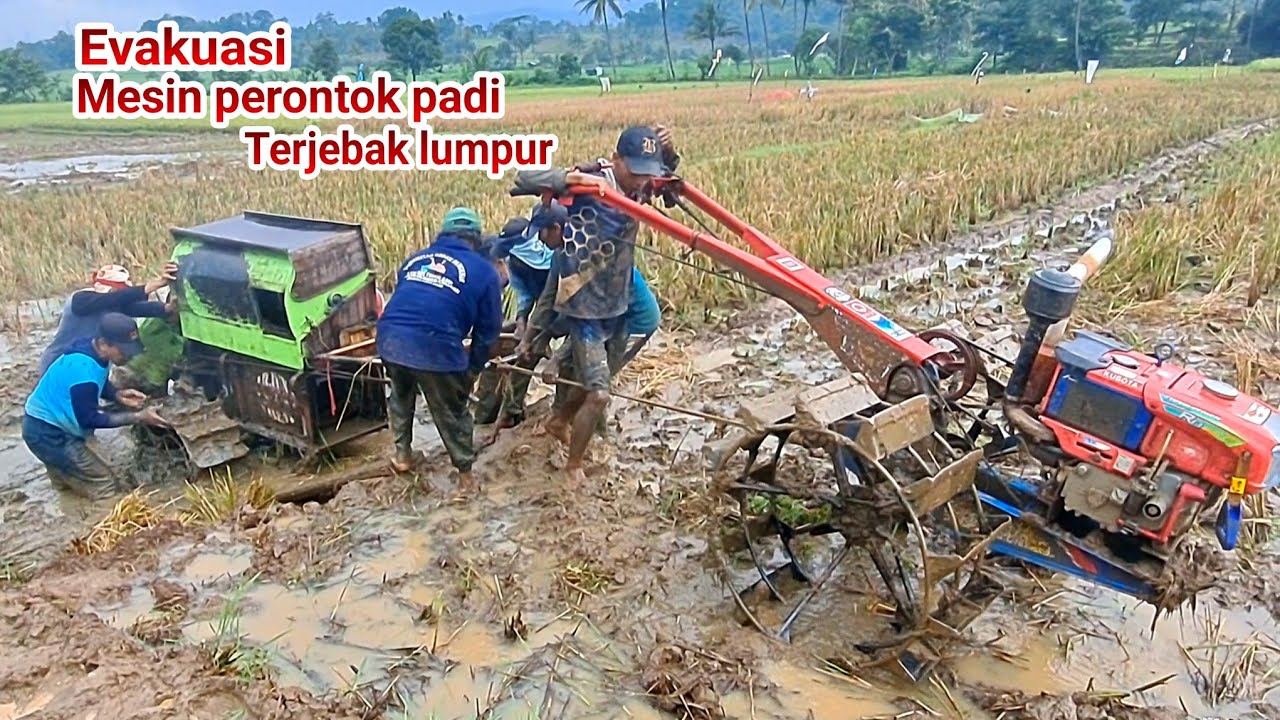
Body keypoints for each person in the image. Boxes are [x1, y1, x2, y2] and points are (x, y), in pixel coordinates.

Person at [511, 124, 679, 481]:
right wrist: (572, 179)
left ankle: (559, 420)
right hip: (583, 302)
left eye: (645, 173)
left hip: (617, 295)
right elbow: (524, 176)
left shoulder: (643, 185)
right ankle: (573, 467)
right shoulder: (589, 180)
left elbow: (669, 185)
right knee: (599, 395)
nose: (639, 181)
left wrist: (671, 152)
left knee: (598, 384)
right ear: (616, 159)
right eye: (633, 171)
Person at [376, 207, 504, 490]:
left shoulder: (415, 259)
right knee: (452, 410)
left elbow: (410, 300)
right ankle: (466, 477)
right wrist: (472, 371)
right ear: (476, 239)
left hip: (389, 339)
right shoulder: (485, 272)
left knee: (400, 394)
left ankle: (402, 456)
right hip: (434, 344)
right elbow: (489, 331)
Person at [23, 313, 171, 499]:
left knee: (65, 482)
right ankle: (96, 521)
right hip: (49, 434)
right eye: (123, 350)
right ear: (103, 343)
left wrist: (116, 394)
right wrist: (139, 417)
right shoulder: (83, 371)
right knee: (105, 484)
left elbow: (96, 380)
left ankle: (69, 502)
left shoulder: (90, 350)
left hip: (40, 424)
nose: (128, 355)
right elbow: (89, 419)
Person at [37, 262, 178, 376]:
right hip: (58, 364)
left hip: (89, 364)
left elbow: (138, 308)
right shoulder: (81, 300)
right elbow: (112, 299)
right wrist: (155, 284)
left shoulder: (113, 305)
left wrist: (166, 309)